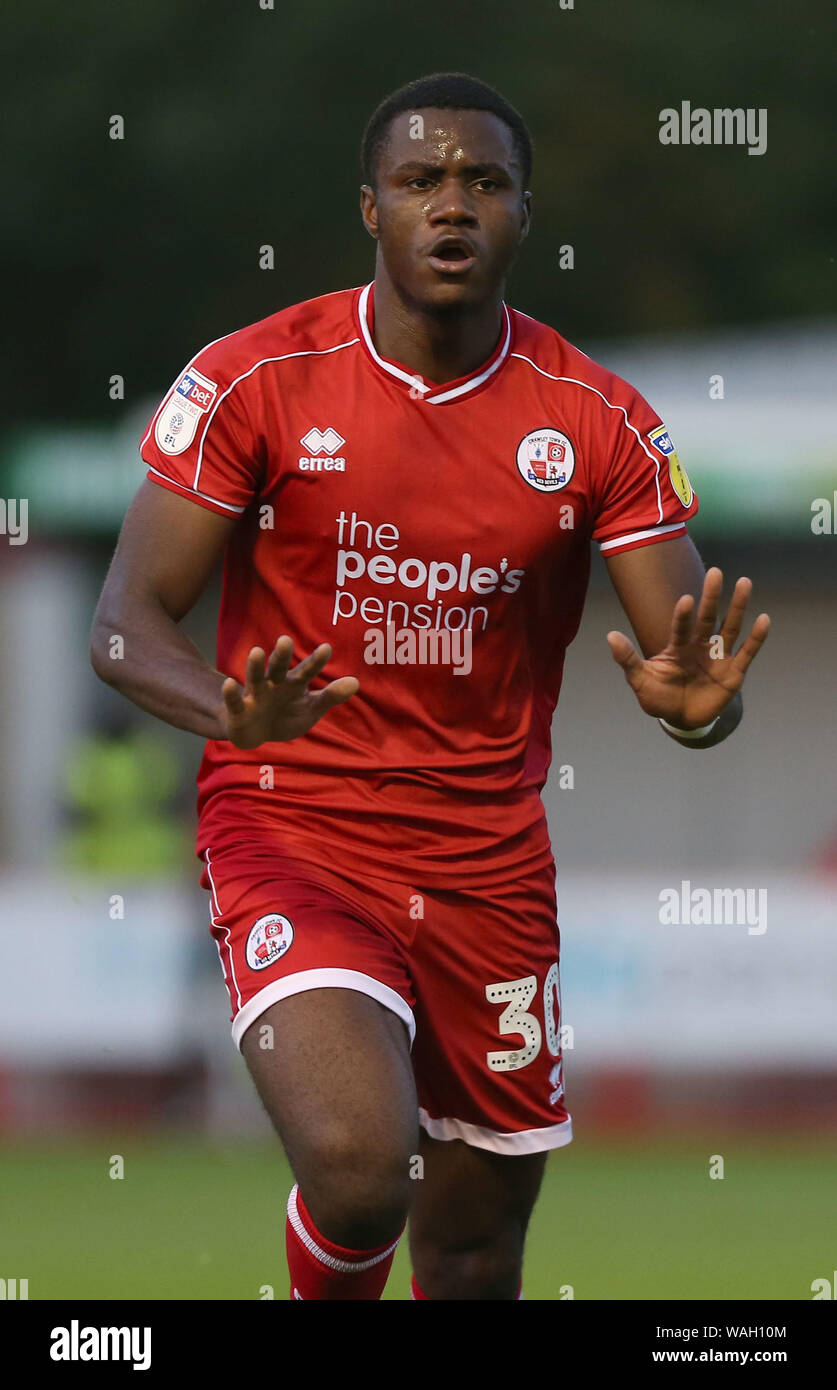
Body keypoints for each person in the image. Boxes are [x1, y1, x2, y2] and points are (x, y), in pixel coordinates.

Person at [90, 71, 769, 1300]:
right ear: (371, 209)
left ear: (522, 214)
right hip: (293, 823)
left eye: (483, 182)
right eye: (420, 181)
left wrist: (705, 712)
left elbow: (690, 665)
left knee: (469, 1247)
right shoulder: (258, 380)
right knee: (361, 1170)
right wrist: (225, 710)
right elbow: (126, 623)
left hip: (488, 864)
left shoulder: (598, 420)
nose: (452, 204)